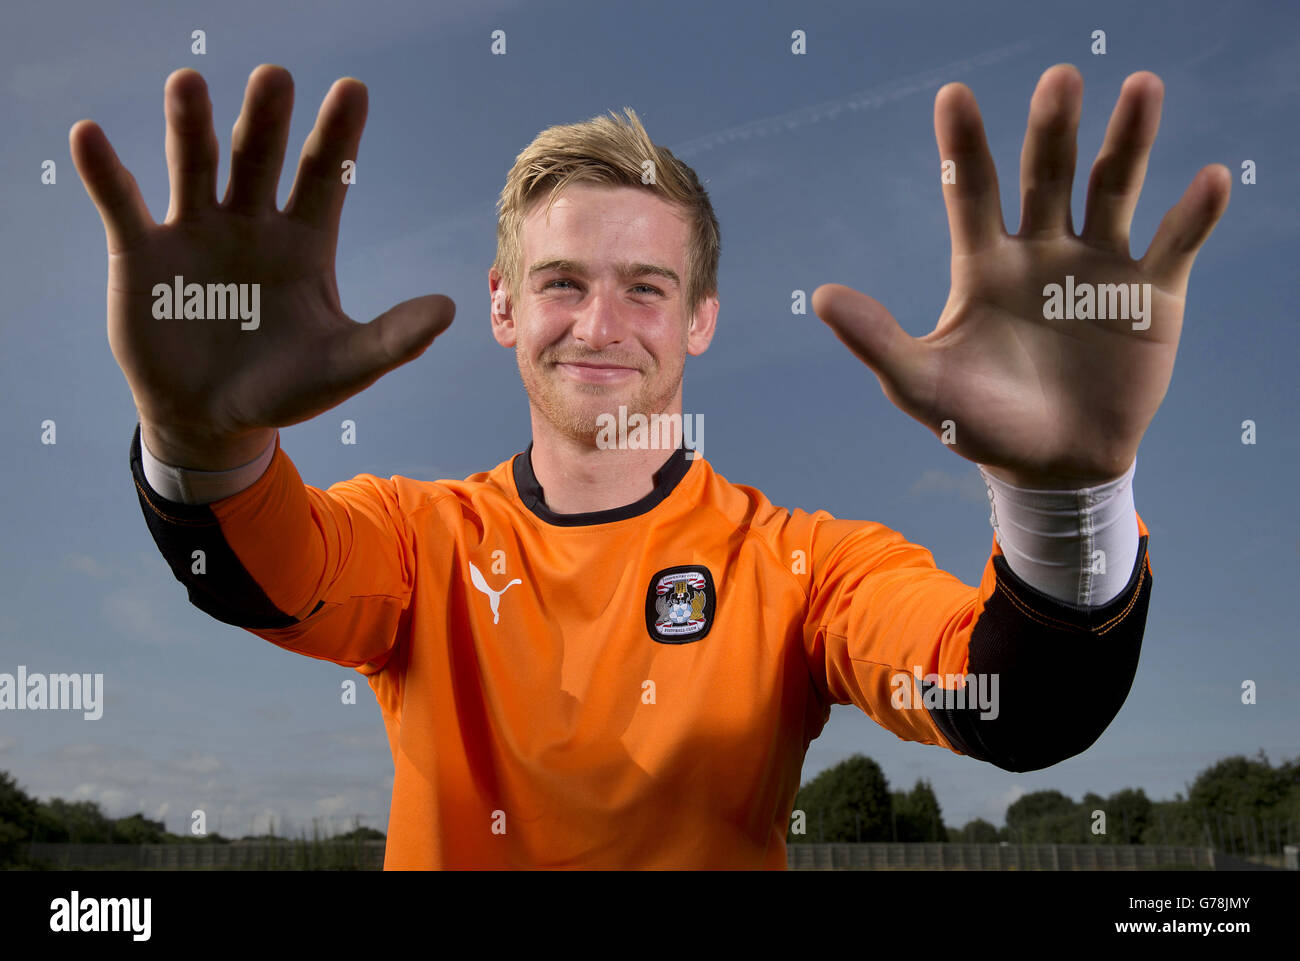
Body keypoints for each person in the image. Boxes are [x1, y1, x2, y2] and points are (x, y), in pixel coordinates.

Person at [70, 62, 1229, 869]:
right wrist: (203, 437)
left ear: (703, 321)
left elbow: (1015, 705)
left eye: (648, 288)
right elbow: (264, 571)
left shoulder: (804, 566)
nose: (600, 323)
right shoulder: (420, 541)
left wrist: (1067, 498)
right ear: (503, 308)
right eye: (562, 281)